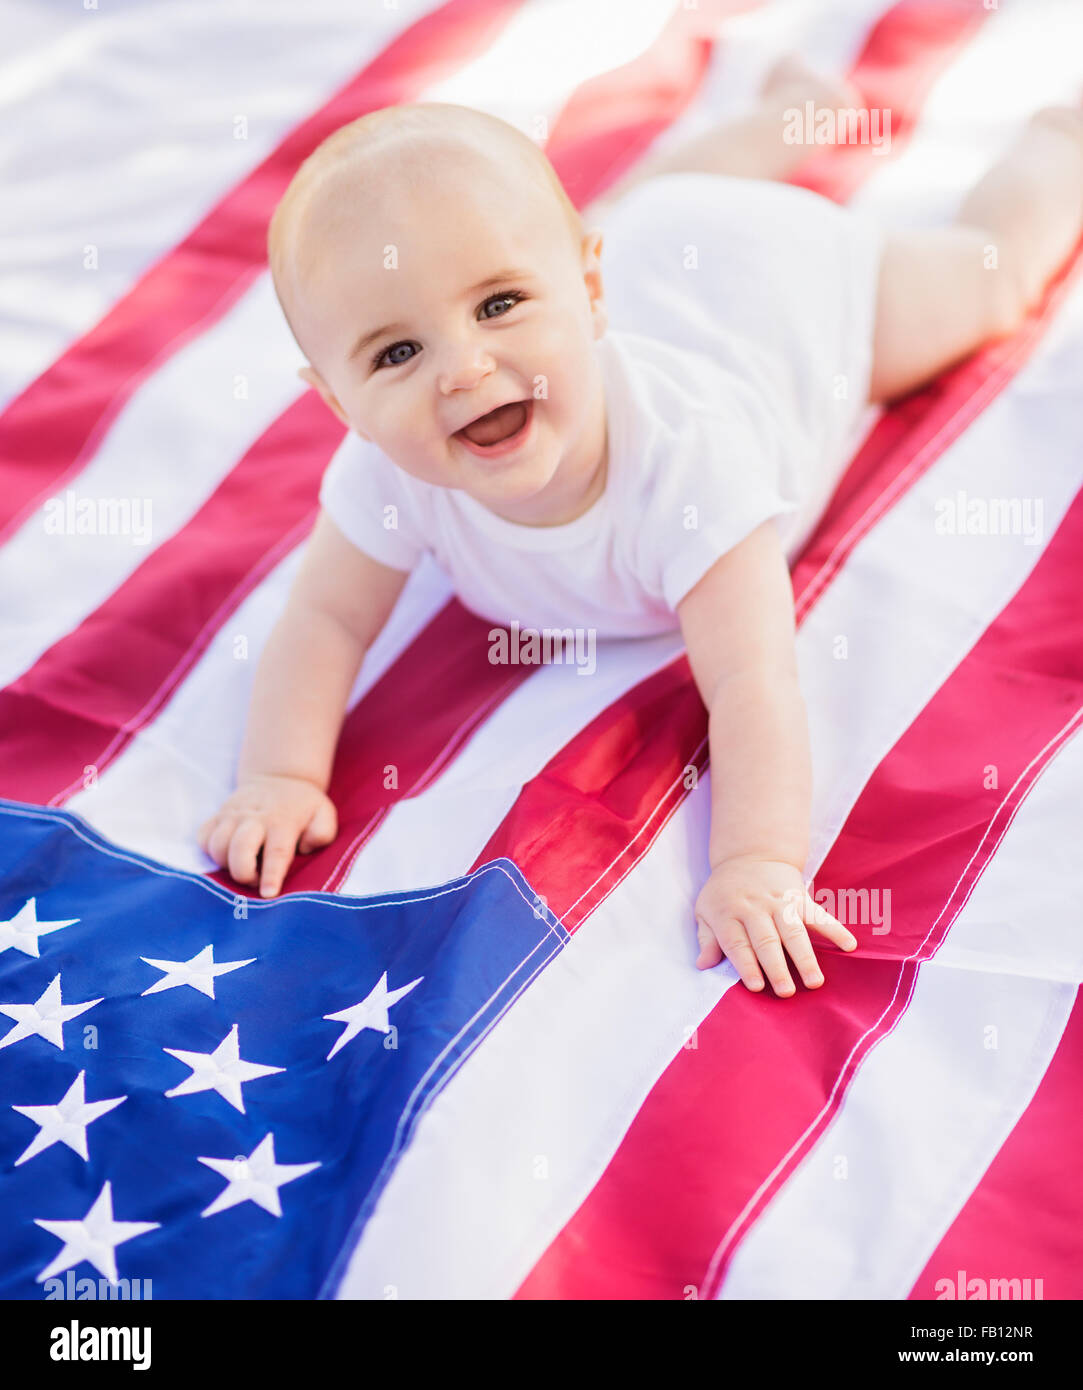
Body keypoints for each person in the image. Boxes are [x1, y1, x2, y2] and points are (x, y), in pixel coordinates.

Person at [198, 63, 1083, 998]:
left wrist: (754, 863)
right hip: (662, 246)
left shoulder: (689, 471)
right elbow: (325, 621)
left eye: (498, 305)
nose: (462, 368)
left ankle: (1057, 145)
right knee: (652, 205)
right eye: (397, 351)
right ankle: (789, 116)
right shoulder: (388, 473)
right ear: (337, 401)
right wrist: (281, 775)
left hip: (786, 296)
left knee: (984, 283)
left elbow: (751, 682)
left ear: (590, 293)